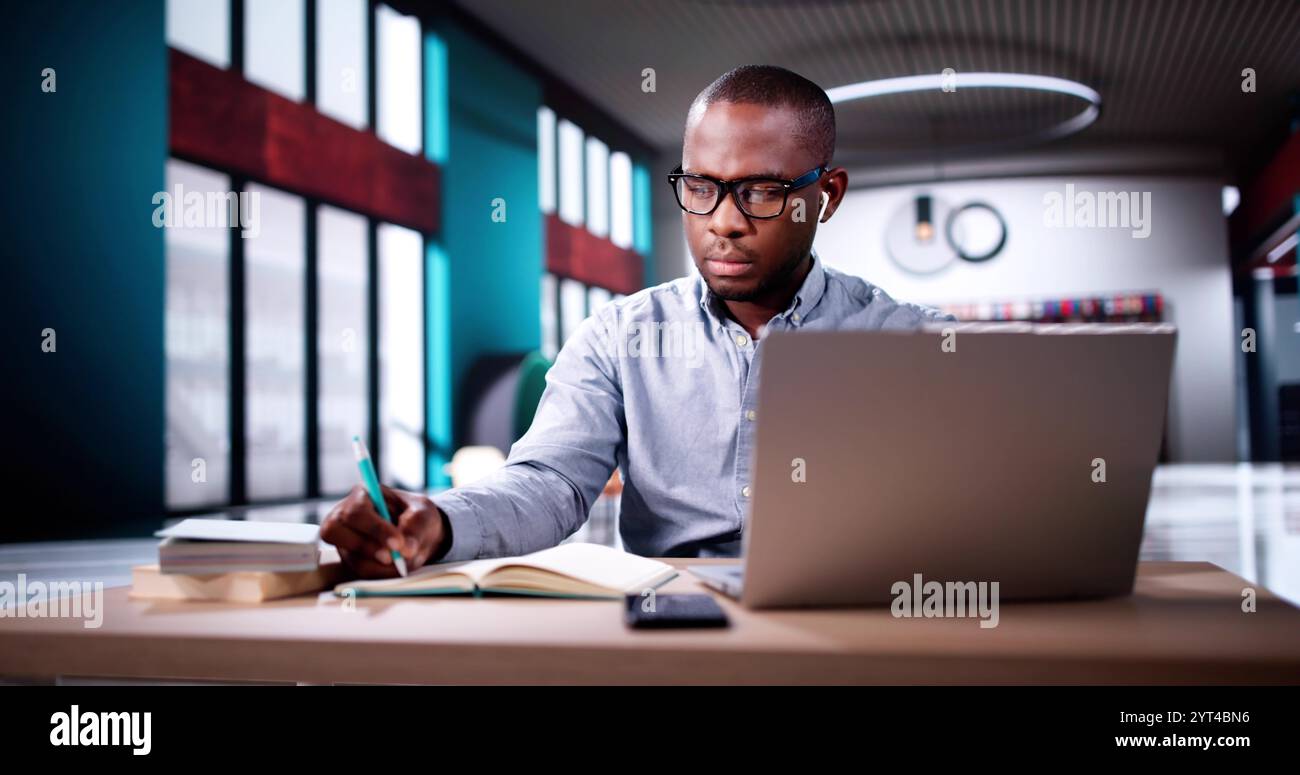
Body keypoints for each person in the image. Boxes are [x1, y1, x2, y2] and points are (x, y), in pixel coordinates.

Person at [322, 64, 950, 577]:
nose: (723, 221)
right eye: (701, 186)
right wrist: (441, 518)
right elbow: (550, 482)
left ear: (827, 196)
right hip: (670, 638)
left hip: (851, 635)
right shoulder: (620, 337)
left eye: (761, 191)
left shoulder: (917, 344)